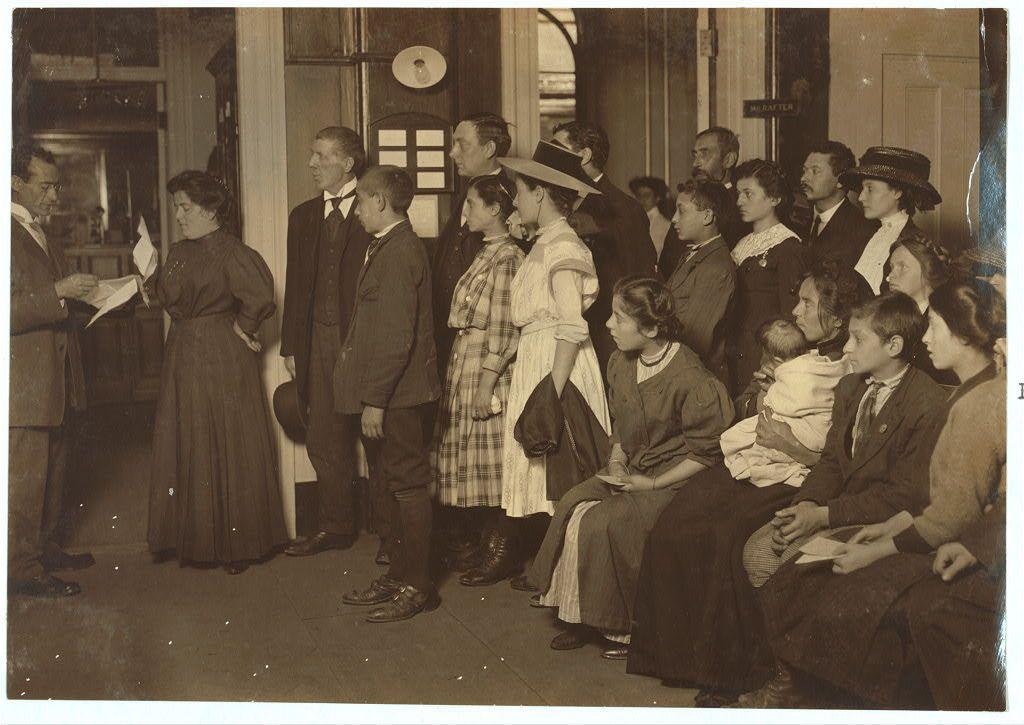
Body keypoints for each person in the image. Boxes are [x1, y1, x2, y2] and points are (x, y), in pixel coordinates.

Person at [744, 278, 1005, 709]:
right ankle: (792, 683)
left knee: (817, 581)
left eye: (935, 327)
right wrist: (812, 506)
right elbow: (839, 465)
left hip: (946, 541)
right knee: (774, 561)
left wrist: (874, 541)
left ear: (961, 336)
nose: (927, 338)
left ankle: (810, 693)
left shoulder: (959, 403)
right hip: (916, 526)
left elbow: (942, 511)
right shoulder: (956, 391)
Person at [625, 264, 873, 704]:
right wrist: (760, 396)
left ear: (837, 320)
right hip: (756, 457)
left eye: (808, 303)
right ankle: (673, 657)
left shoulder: (853, 370)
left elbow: (837, 457)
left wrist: (785, 440)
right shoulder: (794, 353)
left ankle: (729, 672)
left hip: (799, 474)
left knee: (726, 536)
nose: (796, 311)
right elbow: (753, 410)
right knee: (677, 520)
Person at [528, 277, 733, 659]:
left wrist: (652, 484)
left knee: (606, 522)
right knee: (572, 502)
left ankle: (621, 627)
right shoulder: (621, 363)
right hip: (634, 468)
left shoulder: (692, 379)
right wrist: (618, 461)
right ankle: (579, 613)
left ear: (651, 329)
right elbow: (621, 426)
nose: (608, 324)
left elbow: (707, 454)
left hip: (677, 479)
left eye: (619, 318)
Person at [458, 141, 612, 587]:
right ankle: (554, 569)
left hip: (557, 364)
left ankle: (572, 577)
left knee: (562, 466)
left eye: (522, 192)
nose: (516, 202)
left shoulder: (564, 248)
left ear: (541, 194)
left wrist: (551, 393)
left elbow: (571, 325)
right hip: (539, 356)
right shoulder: (547, 243)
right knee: (545, 471)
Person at [740, 291, 945, 591]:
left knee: (780, 565)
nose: (847, 348)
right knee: (755, 552)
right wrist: (806, 505)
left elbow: (903, 498)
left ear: (893, 345)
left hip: (877, 522)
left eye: (858, 339)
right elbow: (832, 461)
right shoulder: (850, 386)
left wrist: (823, 517)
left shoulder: (927, 404)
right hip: (835, 508)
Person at [148, 171, 288, 575]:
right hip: (182, 352)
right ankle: (190, 540)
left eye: (185, 207)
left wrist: (244, 328)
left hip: (222, 354)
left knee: (228, 440)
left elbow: (260, 295)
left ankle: (237, 544)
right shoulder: (178, 251)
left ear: (211, 210)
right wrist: (148, 277)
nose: (178, 215)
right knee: (187, 437)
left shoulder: (232, 251)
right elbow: (168, 296)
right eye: (176, 207)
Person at [338, 166, 442, 622]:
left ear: (380, 201)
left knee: (407, 487)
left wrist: (376, 400)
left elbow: (397, 338)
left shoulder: (400, 252)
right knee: (389, 484)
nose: (357, 211)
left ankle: (418, 586)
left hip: (398, 397)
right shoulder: (387, 246)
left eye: (361, 201)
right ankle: (400, 575)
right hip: (386, 394)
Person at [280, 127, 375, 559]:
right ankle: (335, 526)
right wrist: (290, 346)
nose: (312, 163)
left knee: (378, 434)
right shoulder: (302, 216)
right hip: (316, 341)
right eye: (312, 154)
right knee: (323, 435)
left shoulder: (375, 209)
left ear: (348, 163)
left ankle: (390, 533)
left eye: (321, 156)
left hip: (362, 341)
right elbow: (296, 284)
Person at [9, 144, 97, 597]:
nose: (54, 196)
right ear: (15, 184)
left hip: (56, 378)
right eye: (45, 187)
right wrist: (60, 290)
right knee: (25, 482)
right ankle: (21, 569)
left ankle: (43, 550)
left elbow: (59, 300)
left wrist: (106, 298)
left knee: (52, 473)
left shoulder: (42, 233)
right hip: (25, 384)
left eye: (56, 186)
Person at [431, 174, 525, 578]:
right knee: (472, 458)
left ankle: (501, 551)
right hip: (466, 359)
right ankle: (482, 545)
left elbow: (504, 327)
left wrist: (487, 385)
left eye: (472, 204)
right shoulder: (487, 251)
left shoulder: (508, 258)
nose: (465, 211)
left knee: (492, 462)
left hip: (488, 367)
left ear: (495, 210)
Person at [553, 120, 656, 369]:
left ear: (585, 155)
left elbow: (639, 283)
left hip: (607, 341)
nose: (550, 157)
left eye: (557, 149)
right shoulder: (557, 201)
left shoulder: (625, 209)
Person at [721, 318, 850, 489]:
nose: (796, 311)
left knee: (734, 439)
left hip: (811, 433)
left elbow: (785, 404)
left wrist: (771, 392)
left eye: (807, 304)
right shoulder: (820, 362)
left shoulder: (794, 372)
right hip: (817, 430)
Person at [433, 113, 513, 377]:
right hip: (452, 341)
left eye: (462, 144)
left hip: (484, 350)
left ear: (489, 149)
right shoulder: (466, 194)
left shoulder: (511, 199)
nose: (452, 153)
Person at [727, 159, 810, 395]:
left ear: (774, 198)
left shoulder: (788, 247)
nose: (739, 201)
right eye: (738, 194)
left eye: (748, 194)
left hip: (762, 354)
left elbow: (790, 316)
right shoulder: (742, 244)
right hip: (735, 351)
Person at [664, 179, 737, 385]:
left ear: (707, 216)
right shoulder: (695, 253)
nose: (674, 219)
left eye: (681, 211)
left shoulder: (716, 267)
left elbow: (695, 340)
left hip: (693, 379)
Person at [841, 146, 943, 294]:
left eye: (870, 189)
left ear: (897, 192)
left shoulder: (918, 242)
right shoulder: (859, 233)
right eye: (862, 189)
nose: (861, 197)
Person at [884, 231, 957, 386]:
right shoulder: (886, 315)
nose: (889, 276)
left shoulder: (946, 321)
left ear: (928, 270)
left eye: (902, 267)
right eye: (891, 267)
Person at [798, 141, 879, 271]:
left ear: (841, 180)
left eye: (815, 171)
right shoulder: (796, 219)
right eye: (804, 170)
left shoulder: (863, 229)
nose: (804, 178)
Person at [628, 175, 672, 261]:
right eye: (639, 196)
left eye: (647, 196)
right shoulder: (631, 220)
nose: (642, 200)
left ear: (657, 198)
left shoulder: (665, 225)